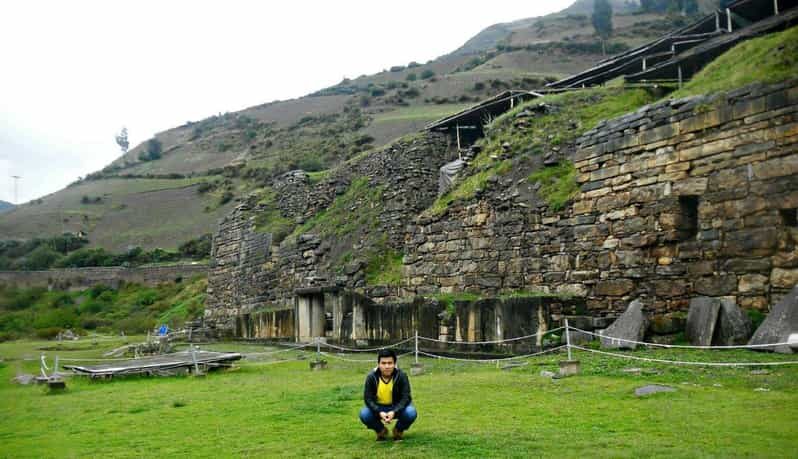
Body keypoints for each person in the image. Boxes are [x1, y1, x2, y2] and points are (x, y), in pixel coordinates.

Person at [359, 348, 417, 441]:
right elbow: (368, 398)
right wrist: (379, 411)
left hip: (397, 407)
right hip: (379, 407)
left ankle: (398, 430)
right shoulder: (371, 377)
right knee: (364, 414)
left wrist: (394, 411)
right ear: (378, 364)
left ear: (395, 364)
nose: (387, 366)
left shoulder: (401, 376)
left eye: (390, 363)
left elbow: (406, 397)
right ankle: (381, 430)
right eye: (383, 363)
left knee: (411, 412)